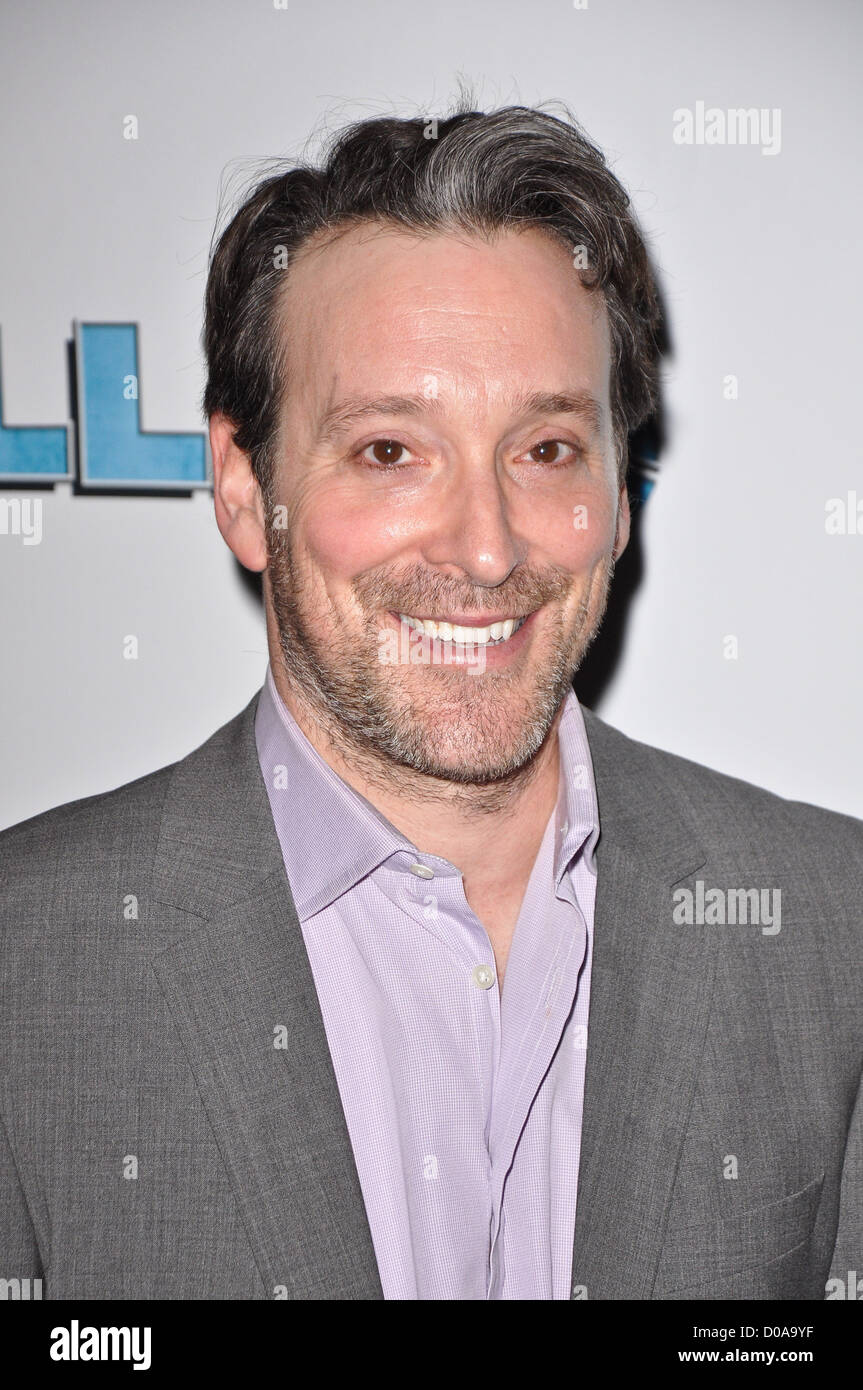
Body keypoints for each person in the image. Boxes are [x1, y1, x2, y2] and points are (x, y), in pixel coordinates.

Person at [1, 99, 861, 1301]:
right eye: (389, 452)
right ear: (245, 490)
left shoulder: (830, 929)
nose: (486, 547)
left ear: (621, 491)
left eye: (546, 448)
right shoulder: (26, 960)